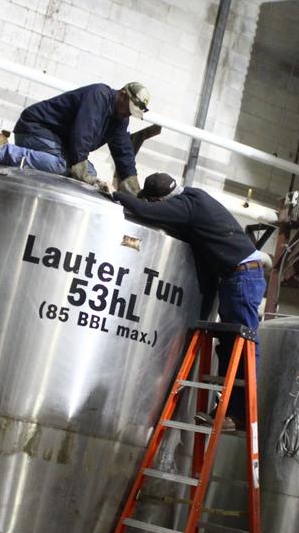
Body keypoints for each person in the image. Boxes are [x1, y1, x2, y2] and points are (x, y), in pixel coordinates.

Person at [114, 173, 267, 430]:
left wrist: (116, 193)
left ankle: (240, 414)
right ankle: (228, 409)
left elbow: (145, 211)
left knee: (242, 346)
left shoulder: (186, 206)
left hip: (241, 278)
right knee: (228, 347)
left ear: (160, 199)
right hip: (239, 276)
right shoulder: (194, 197)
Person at [0, 82, 150, 194]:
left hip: (58, 141)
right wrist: (79, 168)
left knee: (91, 173)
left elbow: (124, 153)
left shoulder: (120, 119)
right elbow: (82, 133)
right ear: (122, 94)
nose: (128, 114)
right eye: (129, 109)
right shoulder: (99, 95)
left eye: (132, 113)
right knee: (62, 166)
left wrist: (136, 192)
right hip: (35, 127)